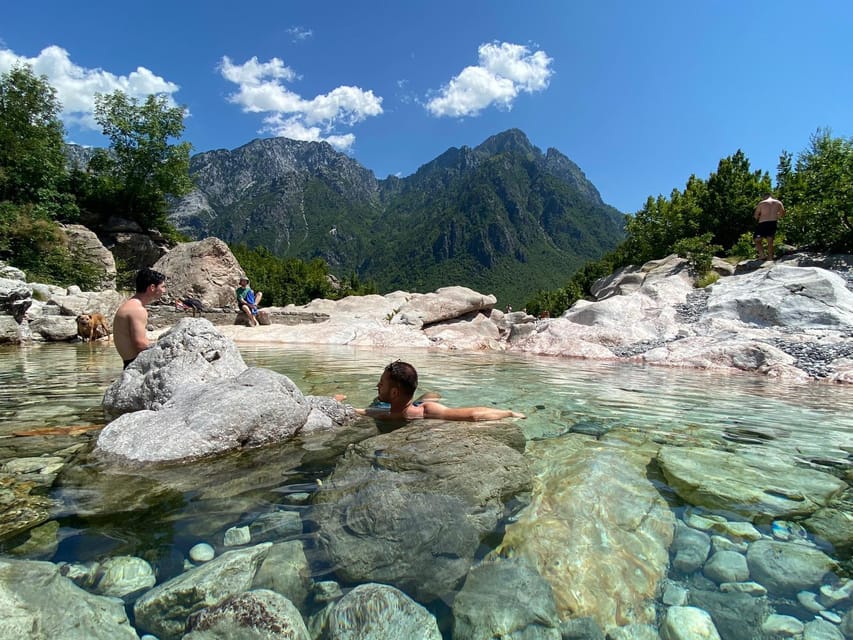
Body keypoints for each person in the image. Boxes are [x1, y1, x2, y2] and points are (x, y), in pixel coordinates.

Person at [355, 360, 525, 421]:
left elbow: (473, 415)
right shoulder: (381, 413)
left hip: (417, 405)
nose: (377, 386)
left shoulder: (426, 411)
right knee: (429, 397)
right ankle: (427, 395)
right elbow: (357, 411)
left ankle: (429, 395)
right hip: (409, 403)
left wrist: (508, 413)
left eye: (381, 384)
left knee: (430, 398)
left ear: (393, 393)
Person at [113, 268, 166, 369]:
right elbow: (140, 344)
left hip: (128, 363)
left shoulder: (130, 305)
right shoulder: (137, 310)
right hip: (134, 364)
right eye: (163, 287)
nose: (164, 291)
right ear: (152, 287)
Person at [753, 193, 786, 261]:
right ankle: (770, 258)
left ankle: (762, 255)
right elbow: (782, 213)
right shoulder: (778, 202)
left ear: (765, 196)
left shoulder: (762, 203)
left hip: (763, 223)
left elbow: (755, 215)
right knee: (770, 240)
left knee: (757, 239)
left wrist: (760, 217)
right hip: (773, 222)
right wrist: (776, 216)